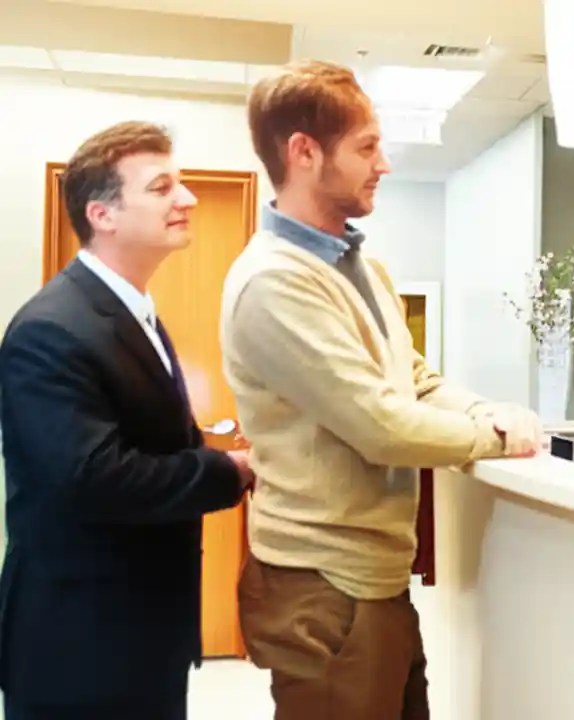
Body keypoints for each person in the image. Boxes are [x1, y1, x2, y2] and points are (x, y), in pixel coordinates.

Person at [221, 60, 543, 720]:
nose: (384, 164)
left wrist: (485, 410)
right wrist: (495, 439)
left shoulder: (359, 264)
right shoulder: (274, 282)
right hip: (325, 586)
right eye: (366, 146)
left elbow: (413, 379)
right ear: (304, 153)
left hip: (375, 580)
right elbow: (380, 424)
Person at [0, 121, 254, 719]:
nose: (186, 199)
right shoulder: (51, 329)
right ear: (102, 214)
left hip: (140, 639)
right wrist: (228, 471)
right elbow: (92, 479)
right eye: (163, 188)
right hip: (79, 652)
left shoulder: (131, 310)